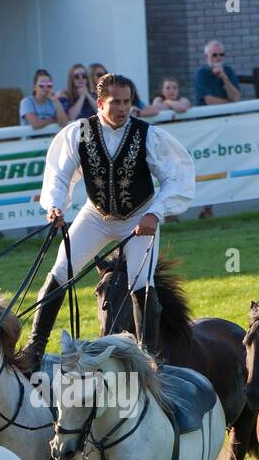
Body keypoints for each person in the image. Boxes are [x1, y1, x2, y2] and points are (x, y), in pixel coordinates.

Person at [18, 72, 195, 368]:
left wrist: (155, 212)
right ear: (100, 103)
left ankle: (148, 356)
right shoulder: (80, 132)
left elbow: (178, 174)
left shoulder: (146, 134)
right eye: (116, 102)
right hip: (96, 215)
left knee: (142, 281)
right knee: (61, 271)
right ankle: (35, 347)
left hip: (139, 214)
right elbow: (60, 174)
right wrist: (56, 207)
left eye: (127, 102)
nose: (123, 109)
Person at [194, 40, 242, 105]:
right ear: (206, 57)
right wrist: (231, 103)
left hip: (228, 113)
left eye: (221, 54)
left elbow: (235, 97)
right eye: (214, 55)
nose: (218, 57)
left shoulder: (228, 71)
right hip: (209, 114)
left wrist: (224, 78)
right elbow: (210, 101)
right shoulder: (201, 74)